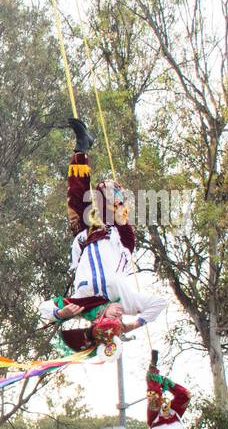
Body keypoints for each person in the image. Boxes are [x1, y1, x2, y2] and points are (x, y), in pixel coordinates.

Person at [37, 118, 166, 356]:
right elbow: (159, 304)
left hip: (88, 236)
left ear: (100, 319)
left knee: (77, 197)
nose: (119, 314)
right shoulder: (127, 302)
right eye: (120, 319)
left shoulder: (82, 306)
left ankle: (82, 146)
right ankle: (108, 190)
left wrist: (60, 314)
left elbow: (43, 309)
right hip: (118, 237)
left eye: (114, 319)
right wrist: (133, 324)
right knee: (106, 188)